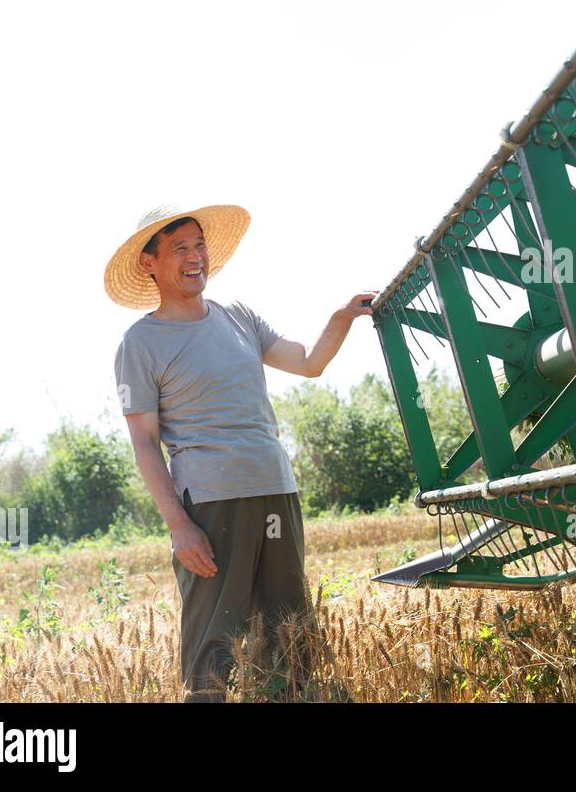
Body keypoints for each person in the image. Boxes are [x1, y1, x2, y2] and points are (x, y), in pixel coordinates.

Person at [104, 203, 374, 701]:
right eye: (179, 247)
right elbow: (143, 443)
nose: (195, 257)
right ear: (149, 263)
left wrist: (342, 318)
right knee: (215, 650)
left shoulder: (240, 318)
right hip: (211, 502)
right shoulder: (140, 343)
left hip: (276, 489)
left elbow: (309, 362)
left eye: (199, 244)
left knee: (289, 638)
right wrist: (180, 527)